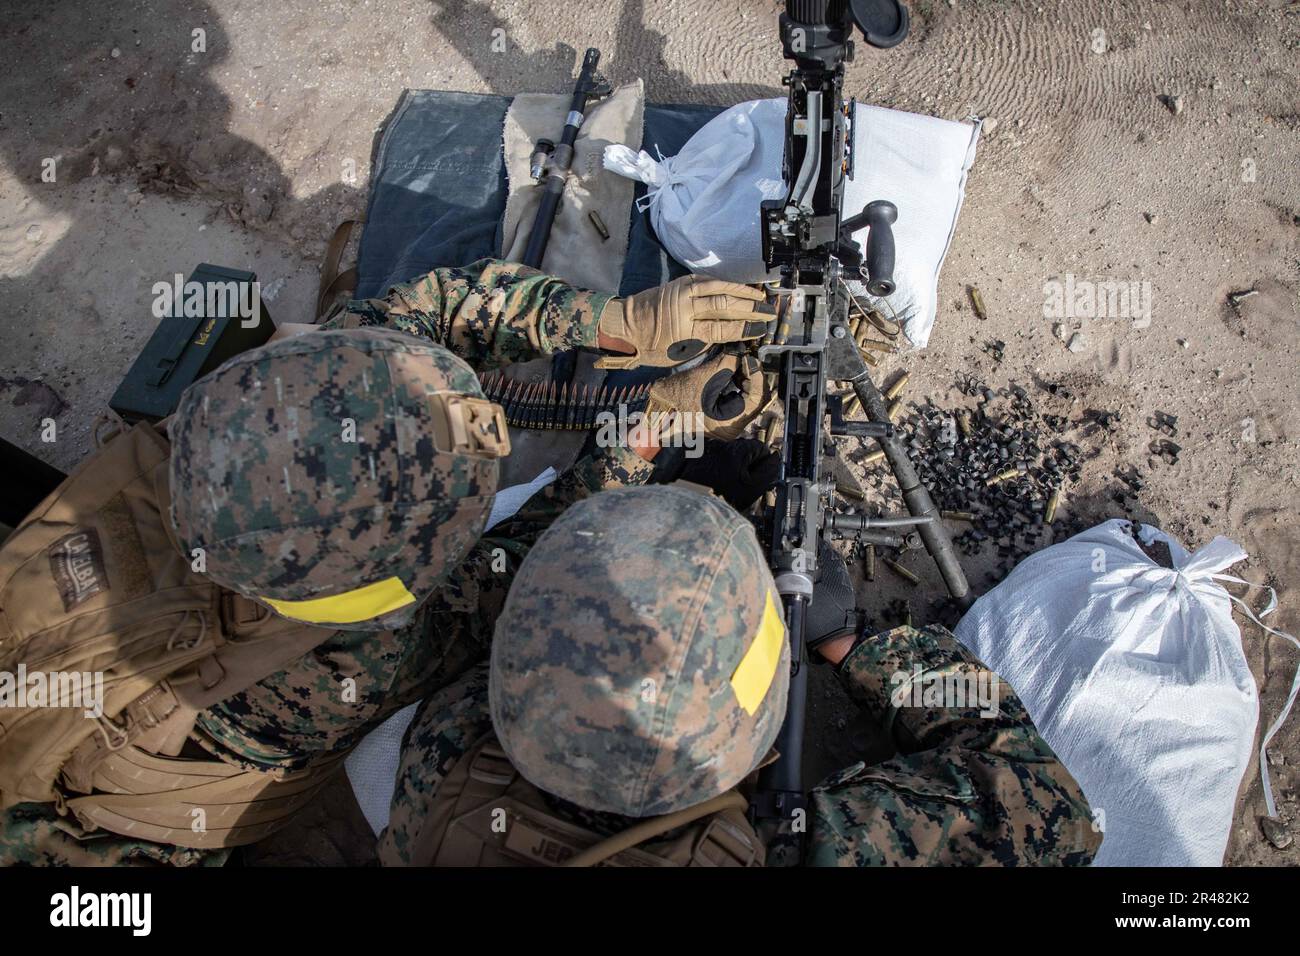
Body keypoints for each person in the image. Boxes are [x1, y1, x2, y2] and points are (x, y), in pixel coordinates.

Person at [0, 263, 774, 865]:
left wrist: (614, 324)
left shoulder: (271, 398)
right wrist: (635, 444)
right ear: (377, 590)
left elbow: (424, 312)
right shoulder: (350, 665)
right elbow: (508, 580)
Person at [379, 485, 1103, 867]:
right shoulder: (814, 847)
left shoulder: (444, 759)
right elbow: (1046, 806)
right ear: (752, 743)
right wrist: (854, 648)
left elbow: (538, 624)